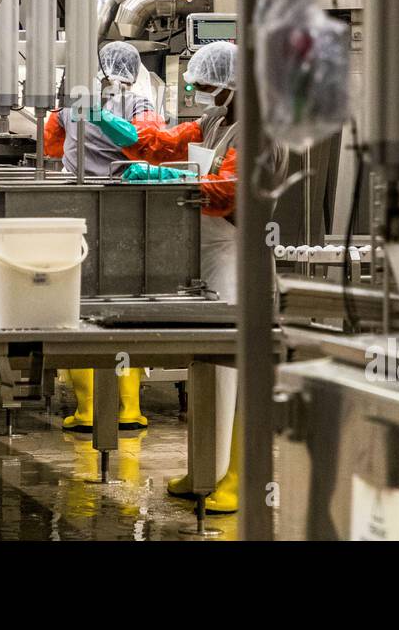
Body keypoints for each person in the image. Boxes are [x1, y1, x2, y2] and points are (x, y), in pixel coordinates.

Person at [121, 40, 245, 512]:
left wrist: (168, 179)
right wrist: (122, 128)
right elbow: (166, 143)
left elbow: (224, 193)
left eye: (208, 84)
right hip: (209, 256)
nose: (201, 92)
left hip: (240, 257)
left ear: (232, 83)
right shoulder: (216, 121)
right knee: (207, 366)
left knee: (235, 372)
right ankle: (206, 469)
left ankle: (239, 478)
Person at [45, 42, 166, 432]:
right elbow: (151, 141)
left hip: (74, 207)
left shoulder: (72, 102)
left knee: (76, 306)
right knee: (123, 305)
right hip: (124, 211)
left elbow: (50, 145)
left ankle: (87, 409)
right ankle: (128, 407)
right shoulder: (137, 100)